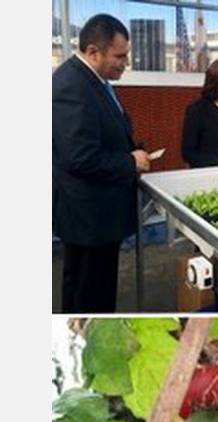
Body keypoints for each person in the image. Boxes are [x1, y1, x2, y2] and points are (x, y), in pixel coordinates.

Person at [53, 14, 149, 313]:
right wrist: (129, 161)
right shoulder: (73, 86)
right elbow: (80, 157)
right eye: (120, 56)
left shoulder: (94, 80)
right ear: (93, 52)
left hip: (96, 215)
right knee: (90, 295)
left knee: (87, 288)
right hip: (89, 217)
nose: (125, 63)